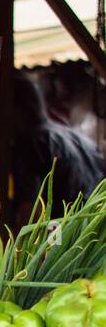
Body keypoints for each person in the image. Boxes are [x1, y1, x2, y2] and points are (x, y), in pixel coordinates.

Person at [12, 74, 106, 223]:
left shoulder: (31, 143)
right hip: (93, 232)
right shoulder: (76, 137)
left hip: (64, 237)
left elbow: (30, 212)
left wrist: (17, 243)